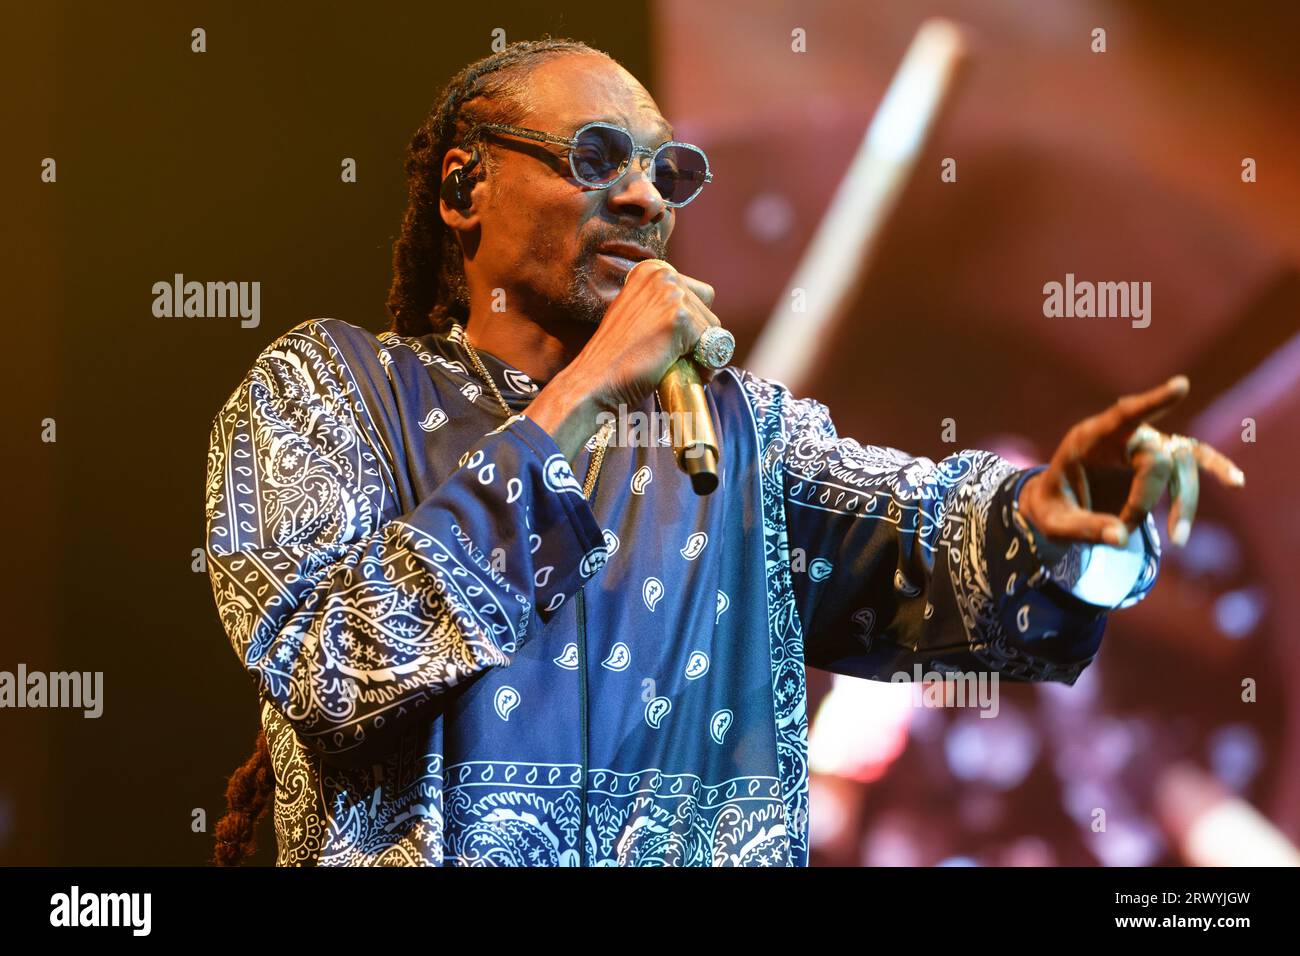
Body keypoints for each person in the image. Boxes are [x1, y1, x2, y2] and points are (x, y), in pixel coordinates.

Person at [204, 38, 1245, 866]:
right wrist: (588, 389)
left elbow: (928, 546)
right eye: (595, 157)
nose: (645, 199)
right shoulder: (330, 389)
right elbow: (331, 668)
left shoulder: (738, 431)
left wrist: (1059, 526)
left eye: (668, 172)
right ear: (464, 187)